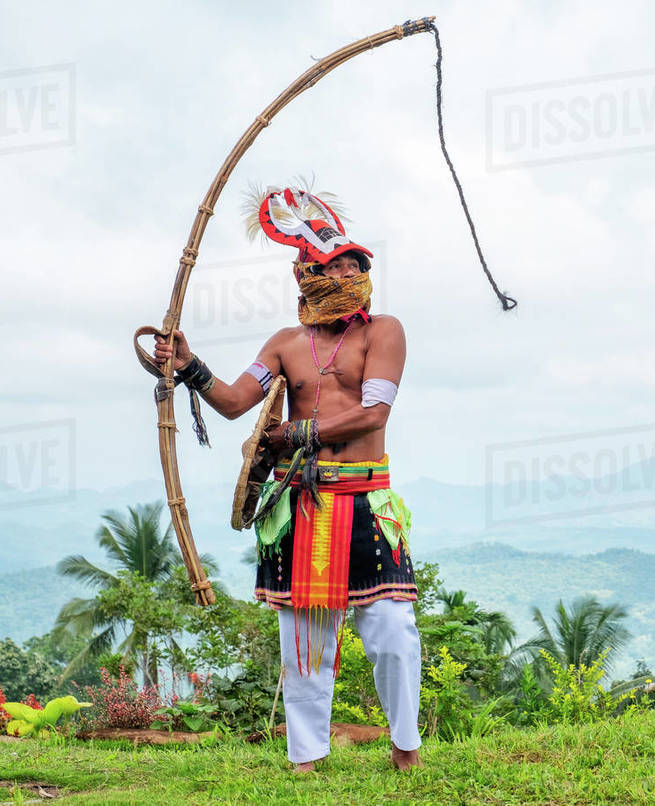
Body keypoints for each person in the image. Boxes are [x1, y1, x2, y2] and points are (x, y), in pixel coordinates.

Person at [151, 188, 422, 772]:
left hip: (365, 501)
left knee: (393, 630)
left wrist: (294, 436)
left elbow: (374, 413)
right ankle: (307, 758)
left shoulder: (384, 332)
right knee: (303, 641)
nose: (352, 272)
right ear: (308, 275)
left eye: (357, 264)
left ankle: (406, 749)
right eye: (339, 265)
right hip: (299, 507)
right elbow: (231, 402)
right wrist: (188, 366)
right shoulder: (284, 344)